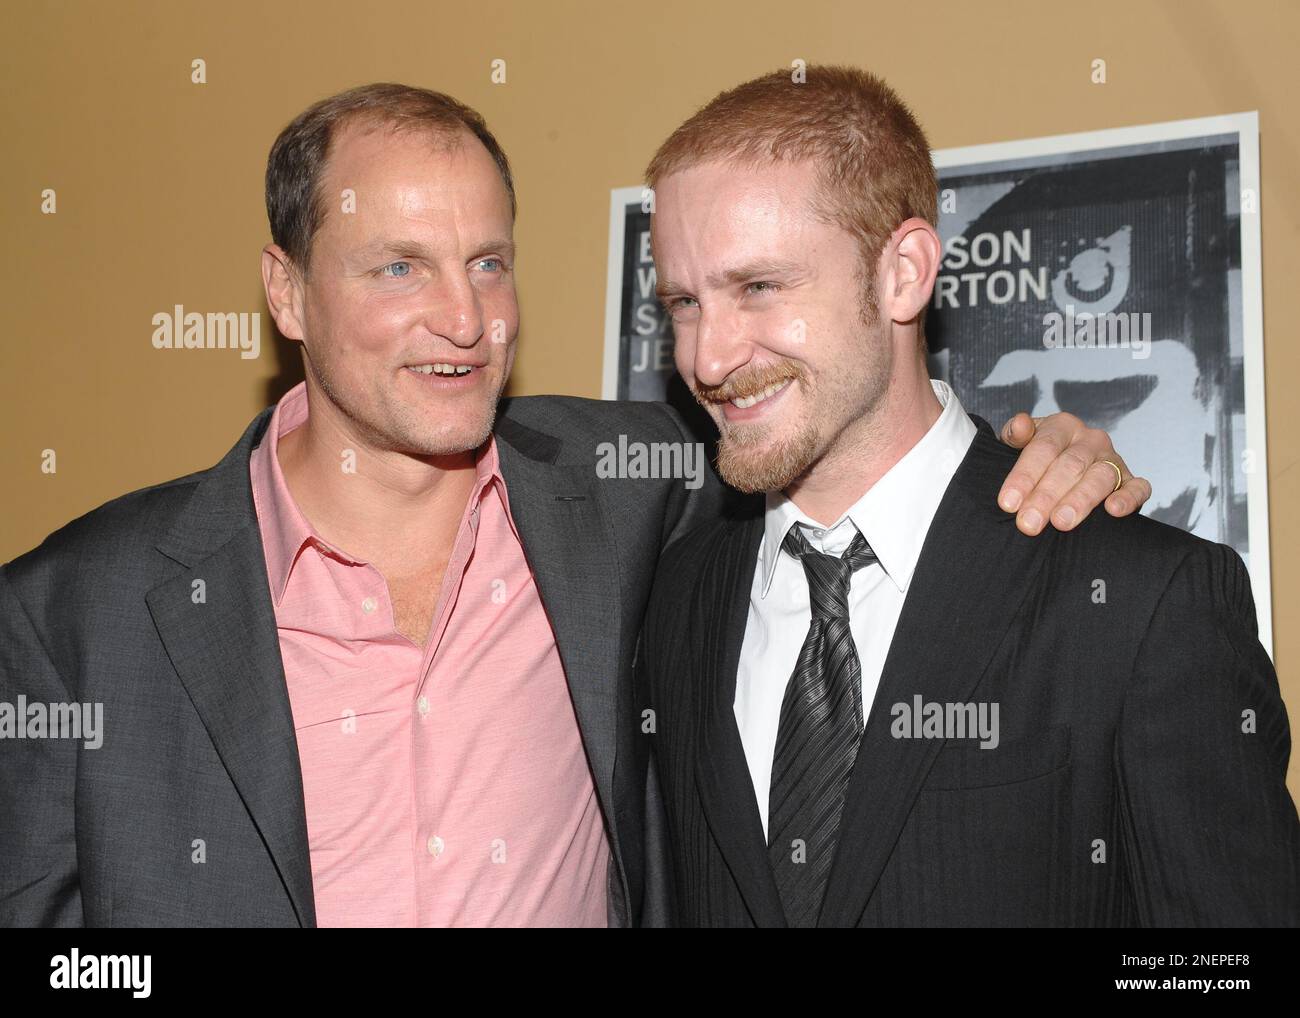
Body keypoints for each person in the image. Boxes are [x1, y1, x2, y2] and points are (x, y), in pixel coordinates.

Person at [0, 83, 1144, 928]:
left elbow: (837, 418)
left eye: (488, 262)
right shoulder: (74, 616)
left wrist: (1030, 452)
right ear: (286, 292)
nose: (465, 317)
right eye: (399, 266)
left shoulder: (631, 493)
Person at [639, 65, 1298, 927]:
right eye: (684, 302)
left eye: (758, 287)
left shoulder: (1142, 600)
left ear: (904, 273)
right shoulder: (679, 596)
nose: (709, 357)